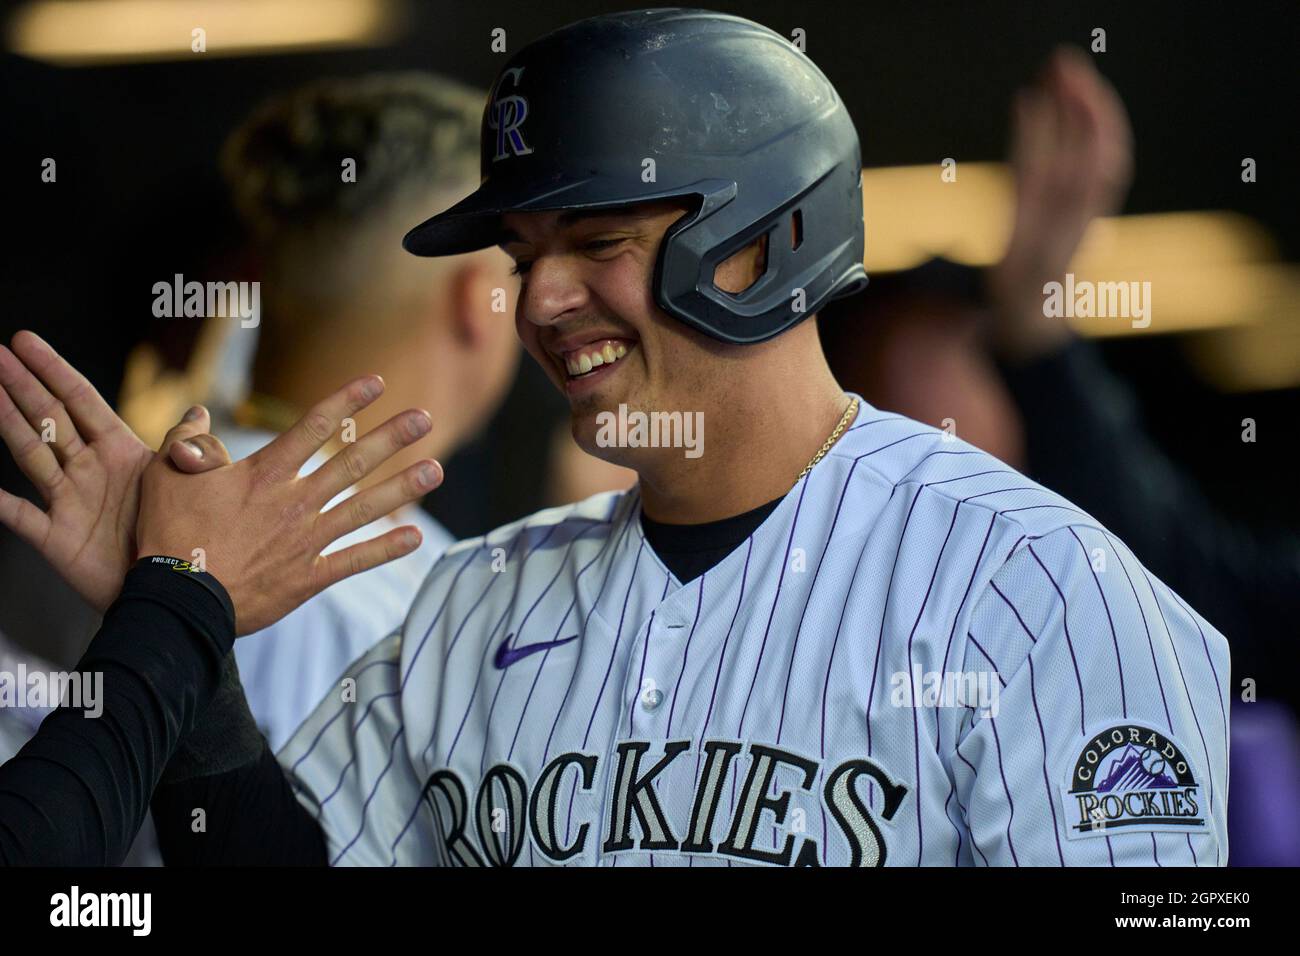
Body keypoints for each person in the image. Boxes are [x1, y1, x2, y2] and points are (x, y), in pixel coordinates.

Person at [1, 9, 1228, 866]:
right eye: (523, 256)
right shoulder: (464, 604)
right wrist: (190, 649)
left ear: (767, 243)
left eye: (597, 245)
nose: (538, 302)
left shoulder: (1037, 589)